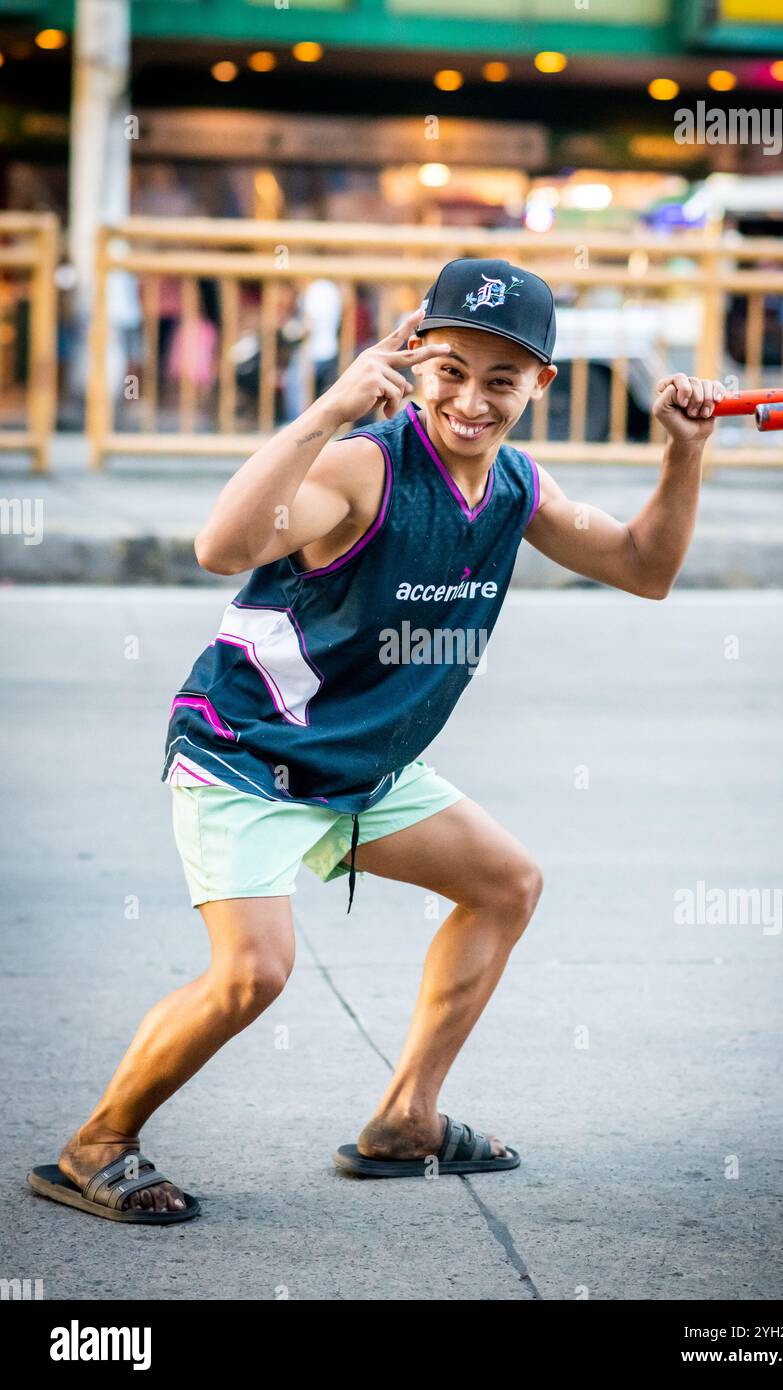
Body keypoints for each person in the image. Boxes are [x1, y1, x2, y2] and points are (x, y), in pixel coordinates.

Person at [28, 257, 726, 1221]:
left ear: (540, 387)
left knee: (504, 883)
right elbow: (221, 549)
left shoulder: (518, 487)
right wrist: (326, 412)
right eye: (450, 370)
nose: (470, 400)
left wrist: (685, 452)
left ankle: (406, 1119)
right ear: (411, 359)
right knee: (253, 973)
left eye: (500, 380)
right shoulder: (365, 465)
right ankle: (93, 1145)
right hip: (248, 752)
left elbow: (644, 568)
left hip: (365, 766)